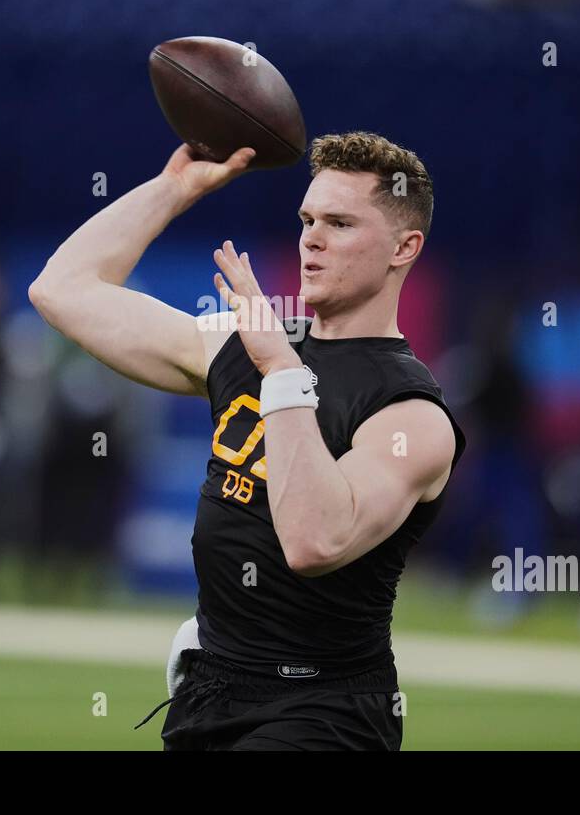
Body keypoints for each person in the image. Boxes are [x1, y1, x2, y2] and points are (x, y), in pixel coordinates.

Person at [28, 132, 465, 750]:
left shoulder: (410, 415)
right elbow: (63, 290)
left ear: (404, 247)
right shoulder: (251, 345)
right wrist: (173, 190)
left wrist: (283, 373)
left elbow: (314, 541)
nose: (312, 238)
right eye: (307, 219)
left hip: (324, 711)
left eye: (340, 223)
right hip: (211, 690)